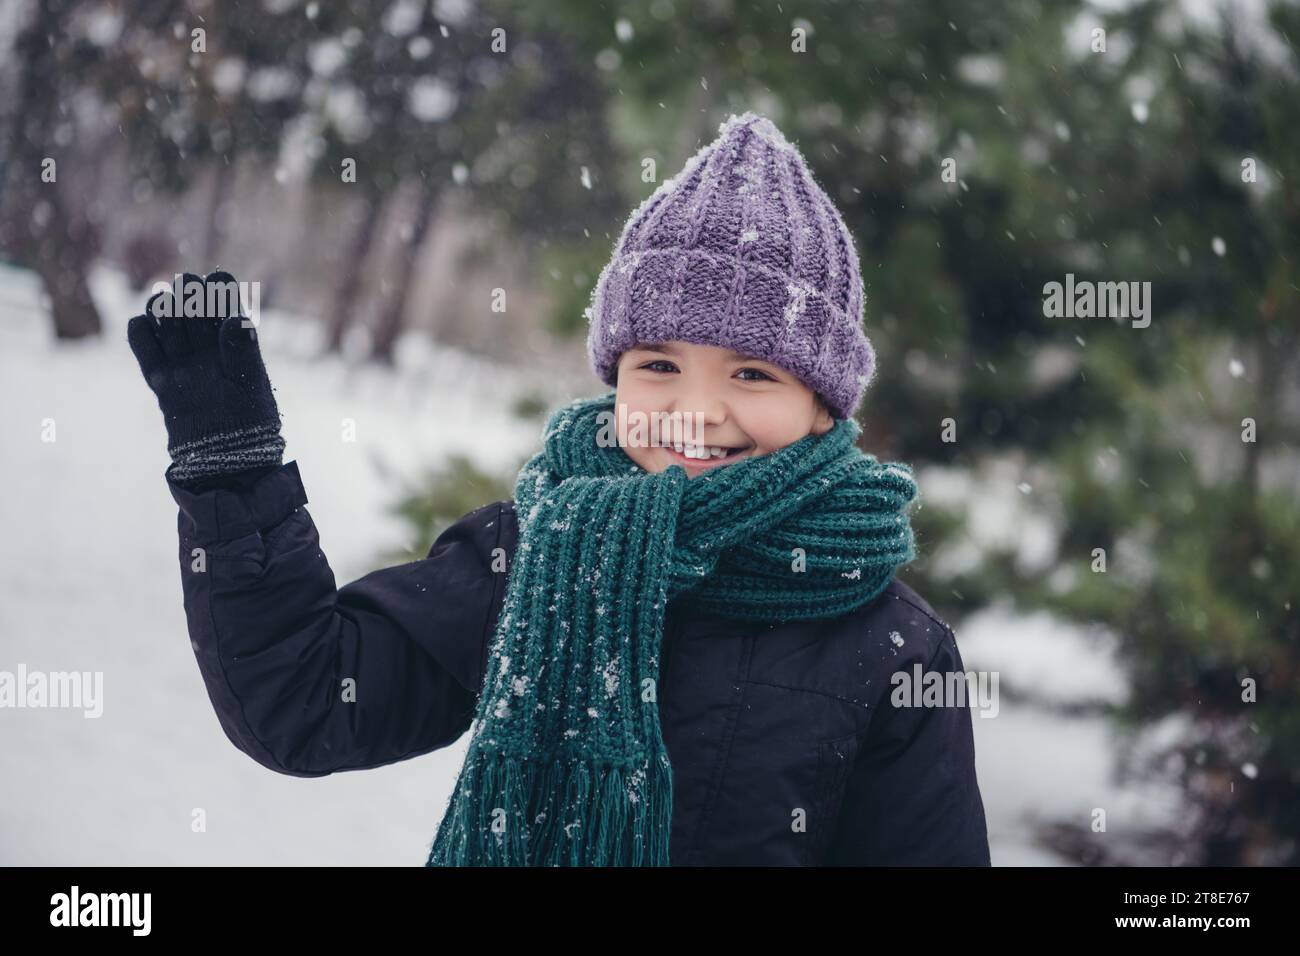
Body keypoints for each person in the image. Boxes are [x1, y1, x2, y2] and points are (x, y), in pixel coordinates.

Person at [128, 111, 991, 866]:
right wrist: (233, 463)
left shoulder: (894, 650)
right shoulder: (532, 552)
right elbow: (307, 701)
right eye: (658, 364)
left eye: (753, 373)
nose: (696, 410)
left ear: (822, 407)